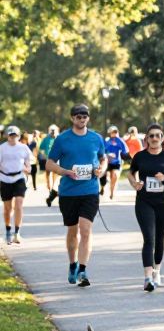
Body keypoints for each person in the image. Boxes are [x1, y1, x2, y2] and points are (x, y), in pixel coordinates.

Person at [45, 103, 107, 286]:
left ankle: (82, 270)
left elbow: (103, 159)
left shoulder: (96, 138)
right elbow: (49, 164)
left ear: (88, 118)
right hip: (68, 192)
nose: (82, 119)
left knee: (85, 230)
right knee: (73, 231)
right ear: (72, 118)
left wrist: (101, 171)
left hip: (90, 191)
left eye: (85, 116)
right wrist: (65, 171)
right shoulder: (63, 139)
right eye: (78, 116)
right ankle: (72, 264)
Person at [127, 124, 164, 291]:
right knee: (149, 239)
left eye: (158, 135)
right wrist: (134, 183)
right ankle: (147, 278)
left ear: (163, 139)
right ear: (147, 139)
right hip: (144, 202)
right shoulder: (140, 156)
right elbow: (130, 172)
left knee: (159, 238)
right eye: (151, 136)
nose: (155, 138)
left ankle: (157, 270)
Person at [1, 126, 32, 244]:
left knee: (19, 204)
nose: (13, 138)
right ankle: (8, 230)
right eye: (11, 135)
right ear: (7, 136)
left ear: (19, 136)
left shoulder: (23, 148)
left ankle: (17, 233)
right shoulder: (2, 148)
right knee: (8, 208)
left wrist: (27, 168)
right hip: (5, 179)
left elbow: (28, 164)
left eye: (15, 135)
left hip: (19, 178)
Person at [102, 126, 129, 200]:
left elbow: (125, 151)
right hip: (108, 162)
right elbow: (103, 150)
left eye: (115, 132)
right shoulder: (107, 141)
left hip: (117, 162)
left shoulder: (120, 140)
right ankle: (103, 187)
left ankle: (112, 193)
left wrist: (124, 155)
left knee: (114, 176)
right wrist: (108, 154)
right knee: (107, 176)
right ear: (110, 133)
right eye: (113, 132)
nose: (114, 133)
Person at [40, 124, 58, 202]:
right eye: (52, 130)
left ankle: (53, 190)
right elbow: (41, 148)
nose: (53, 132)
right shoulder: (46, 139)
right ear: (49, 131)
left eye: (54, 130)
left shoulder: (59, 139)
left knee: (55, 175)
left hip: (56, 160)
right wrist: (44, 155)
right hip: (48, 159)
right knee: (47, 175)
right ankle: (49, 188)